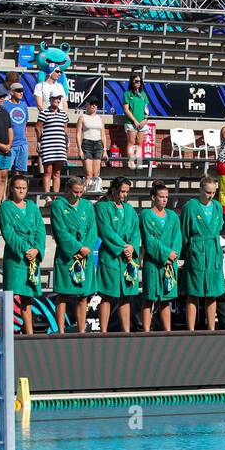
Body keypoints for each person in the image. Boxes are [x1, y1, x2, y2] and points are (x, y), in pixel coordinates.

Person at [50, 175, 98, 334]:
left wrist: (87, 248)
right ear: (67, 190)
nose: (78, 195)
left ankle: (81, 328)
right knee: (63, 294)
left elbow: (93, 229)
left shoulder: (87, 206)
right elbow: (60, 231)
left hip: (85, 255)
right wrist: (77, 248)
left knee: (83, 295)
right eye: (75, 192)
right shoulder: (58, 205)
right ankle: (61, 330)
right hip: (67, 255)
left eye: (81, 192)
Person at [0, 174, 46, 335]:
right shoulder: (6, 207)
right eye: (18, 188)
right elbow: (8, 232)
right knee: (12, 294)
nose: (21, 191)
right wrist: (26, 249)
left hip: (32, 257)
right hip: (16, 257)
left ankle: (29, 330)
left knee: (28, 296)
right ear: (11, 189)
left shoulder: (32, 206)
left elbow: (41, 228)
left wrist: (37, 249)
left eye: (24, 188)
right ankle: (7, 328)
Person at [95, 175, 141, 333]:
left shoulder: (130, 209)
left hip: (127, 258)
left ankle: (126, 331)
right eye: (122, 191)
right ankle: (103, 331)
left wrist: (133, 248)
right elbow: (105, 231)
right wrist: (123, 247)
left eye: (127, 192)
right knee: (107, 295)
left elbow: (136, 232)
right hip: (111, 256)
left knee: (126, 295)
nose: (124, 195)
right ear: (114, 190)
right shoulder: (102, 207)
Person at [181, 174, 225, 331]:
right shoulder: (190, 207)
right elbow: (185, 232)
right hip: (197, 250)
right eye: (208, 192)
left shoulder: (218, 207)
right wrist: (190, 251)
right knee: (193, 291)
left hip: (213, 250)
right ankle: (191, 329)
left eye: (213, 192)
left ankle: (211, 327)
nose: (211, 196)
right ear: (200, 189)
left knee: (212, 291)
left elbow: (219, 228)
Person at [35, 91, 71, 195]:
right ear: (50, 99)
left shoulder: (63, 114)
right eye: (55, 98)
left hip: (60, 146)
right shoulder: (44, 113)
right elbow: (37, 128)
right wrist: (40, 141)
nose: (57, 100)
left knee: (57, 173)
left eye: (59, 98)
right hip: (48, 146)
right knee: (48, 172)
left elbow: (65, 130)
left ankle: (55, 195)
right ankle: (47, 196)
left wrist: (67, 143)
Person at [75, 95, 107, 193]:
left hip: (98, 145)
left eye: (95, 104)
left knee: (95, 173)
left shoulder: (100, 118)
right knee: (88, 173)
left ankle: (94, 193)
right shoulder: (82, 118)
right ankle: (85, 193)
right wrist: (79, 149)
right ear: (87, 105)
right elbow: (78, 134)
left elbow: (103, 135)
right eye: (91, 104)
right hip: (86, 144)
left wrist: (105, 150)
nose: (93, 106)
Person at [122, 74, 149, 170]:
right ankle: (131, 162)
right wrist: (135, 121)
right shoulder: (127, 94)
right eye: (136, 81)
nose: (138, 83)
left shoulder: (143, 94)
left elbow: (146, 109)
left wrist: (145, 119)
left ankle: (139, 162)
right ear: (132, 82)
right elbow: (126, 109)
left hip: (142, 122)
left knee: (140, 143)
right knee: (131, 142)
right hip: (131, 122)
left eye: (140, 81)